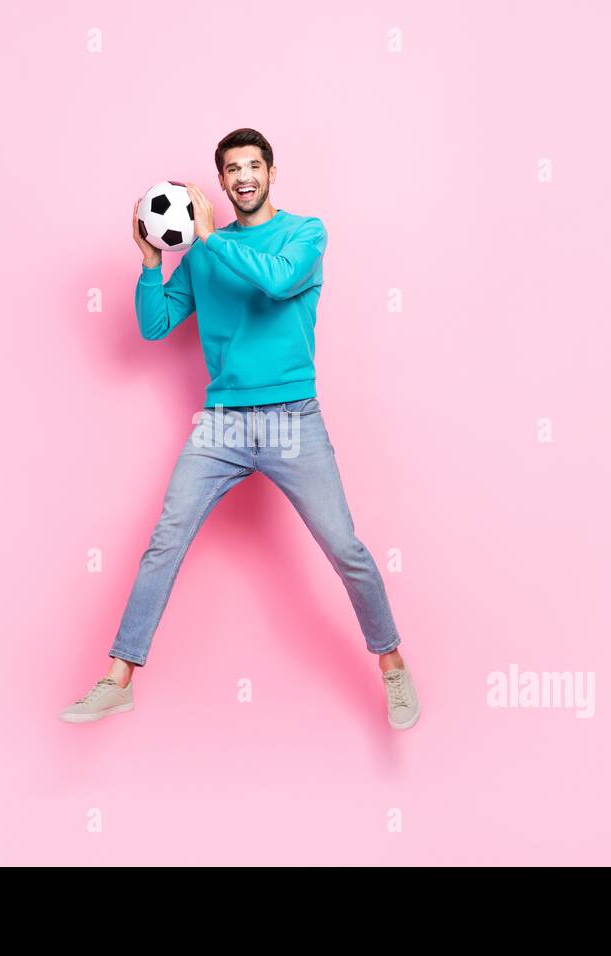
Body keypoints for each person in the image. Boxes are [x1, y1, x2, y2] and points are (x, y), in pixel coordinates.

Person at [60, 128, 420, 730]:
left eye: (254, 165)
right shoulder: (204, 251)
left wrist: (204, 240)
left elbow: (276, 281)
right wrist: (152, 265)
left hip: (291, 420)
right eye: (232, 169)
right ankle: (118, 678)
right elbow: (155, 327)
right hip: (221, 426)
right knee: (165, 541)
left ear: (271, 173)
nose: (243, 177)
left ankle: (393, 667)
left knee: (345, 549)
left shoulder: (305, 234)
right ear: (221, 182)